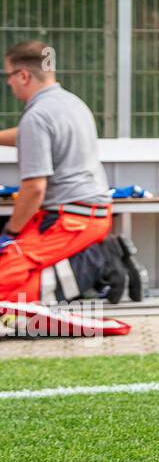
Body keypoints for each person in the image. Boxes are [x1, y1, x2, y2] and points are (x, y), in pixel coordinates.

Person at [0, 41, 113, 303]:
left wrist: (11, 234)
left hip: (71, 220)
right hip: (90, 213)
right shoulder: (71, 104)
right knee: (16, 270)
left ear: (24, 75)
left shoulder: (37, 116)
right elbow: (35, 136)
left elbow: (35, 188)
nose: (9, 83)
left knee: (7, 287)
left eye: (9, 76)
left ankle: (104, 263)